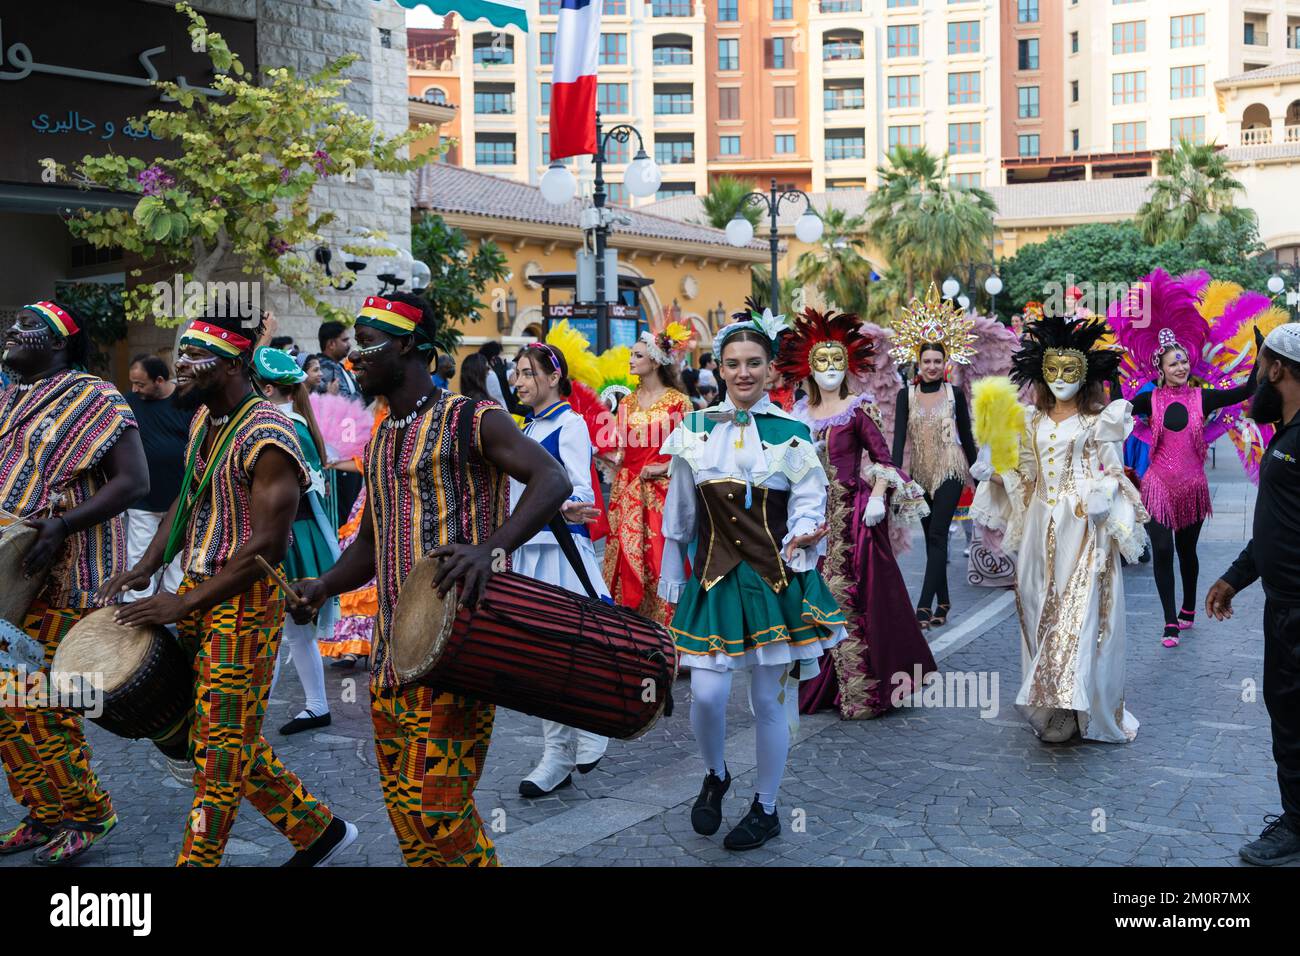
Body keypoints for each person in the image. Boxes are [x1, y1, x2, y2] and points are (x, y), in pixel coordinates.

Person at [291, 293, 572, 866]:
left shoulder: (472, 418)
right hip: (392, 650)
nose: (354, 357)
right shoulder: (382, 437)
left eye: (366, 343)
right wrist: (324, 584)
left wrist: (490, 550)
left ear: (406, 346)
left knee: (437, 811)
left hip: (460, 645)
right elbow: (371, 544)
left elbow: (552, 479)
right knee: (403, 809)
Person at [102, 312, 357, 867]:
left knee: (218, 754)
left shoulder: (268, 436)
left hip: (242, 603)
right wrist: (148, 564)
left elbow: (267, 546)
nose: (182, 367)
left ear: (234, 365)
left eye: (196, 358)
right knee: (222, 734)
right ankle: (319, 832)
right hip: (197, 587)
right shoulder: (205, 422)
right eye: (182, 353)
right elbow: (186, 501)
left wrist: (184, 600)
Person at [658, 306, 846, 852]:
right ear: (717, 366)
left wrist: (809, 532)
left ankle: (766, 807)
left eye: (754, 363)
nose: (744, 373)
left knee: (768, 702)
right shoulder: (693, 428)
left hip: (773, 583)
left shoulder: (792, 430)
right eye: (734, 363)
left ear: (771, 370)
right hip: (714, 581)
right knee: (709, 696)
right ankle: (716, 774)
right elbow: (681, 513)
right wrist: (675, 577)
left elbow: (812, 500)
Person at [0, 300, 148, 864]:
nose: (13, 330)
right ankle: (42, 812)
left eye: (29, 327)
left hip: (65, 577)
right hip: (12, 579)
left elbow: (135, 482)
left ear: (61, 342)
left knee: (45, 704)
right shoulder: (10, 396)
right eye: (13, 323)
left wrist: (61, 524)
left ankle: (88, 813)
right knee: (7, 705)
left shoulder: (95, 398)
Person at [971, 314, 1146, 745]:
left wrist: (1104, 492)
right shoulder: (1029, 421)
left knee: (1079, 614)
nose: (1062, 378)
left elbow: (1111, 469)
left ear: (1086, 374)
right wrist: (992, 474)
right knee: (1036, 608)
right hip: (1038, 526)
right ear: (1040, 372)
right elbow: (1025, 477)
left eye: (1071, 369)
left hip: (1083, 526)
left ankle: (1071, 709)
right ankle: (1051, 702)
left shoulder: (1098, 421)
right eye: (1053, 369)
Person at [777, 308, 935, 719]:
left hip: (853, 517)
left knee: (852, 600)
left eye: (836, 361)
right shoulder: (798, 415)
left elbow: (883, 459)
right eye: (821, 362)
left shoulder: (858, 408)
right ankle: (824, 687)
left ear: (847, 365)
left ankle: (863, 691)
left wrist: (880, 496)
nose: (829, 369)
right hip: (811, 518)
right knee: (813, 599)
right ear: (808, 368)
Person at [1109, 269, 1259, 647]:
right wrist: (1110, 373)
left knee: (1186, 551)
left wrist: (1260, 354)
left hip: (1192, 487)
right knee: (1161, 549)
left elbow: (1247, 389)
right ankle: (1169, 622)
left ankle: (1189, 607)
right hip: (1158, 487)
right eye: (1173, 363)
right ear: (1160, 368)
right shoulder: (1149, 401)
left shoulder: (1203, 397)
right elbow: (1117, 410)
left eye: (1183, 362)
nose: (1180, 367)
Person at [1207, 323, 1300, 867]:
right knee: (1287, 716)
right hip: (1281, 607)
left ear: (1278, 368)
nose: (1255, 381)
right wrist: (1234, 578)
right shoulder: (1286, 434)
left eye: (1259, 366)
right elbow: (1276, 525)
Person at [510, 343, 612, 797]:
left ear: (554, 378)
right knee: (537, 655)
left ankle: (593, 721)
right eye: (516, 374)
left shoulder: (569, 424)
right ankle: (556, 756)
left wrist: (571, 506)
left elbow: (580, 488)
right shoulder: (520, 429)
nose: (519, 382)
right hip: (527, 552)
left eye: (528, 373)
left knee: (575, 644)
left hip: (561, 550)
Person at [251, 347, 340, 735]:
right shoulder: (293, 422)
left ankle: (258, 711)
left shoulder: (287, 427)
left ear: (267, 389)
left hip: (292, 534)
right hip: (292, 533)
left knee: (281, 627)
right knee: (286, 629)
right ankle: (312, 705)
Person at [890, 286, 979, 631]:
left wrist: (979, 475)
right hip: (919, 475)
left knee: (939, 535)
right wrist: (897, 478)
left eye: (937, 361)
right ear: (918, 362)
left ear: (946, 364)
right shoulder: (905, 395)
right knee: (932, 541)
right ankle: (943, 601)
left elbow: (967, 437)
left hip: (951, 470)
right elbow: (899, 441)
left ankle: (923, 608)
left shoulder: (954, 394)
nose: (931, 366)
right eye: (926, 361)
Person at [601, 321, 693, 627]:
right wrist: (607, 455)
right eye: (631, 354)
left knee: (660, 558)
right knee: (626, 560)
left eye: (637, 355)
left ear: (654, 360)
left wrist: (665, 466)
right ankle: (632, 631)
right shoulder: (625, 403)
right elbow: (622, 450)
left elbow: (692, 451)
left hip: (664, 492)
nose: (630, 359)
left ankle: (669, 631)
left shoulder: (679, 403)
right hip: (627, 492)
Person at [124, 353, 192, 600]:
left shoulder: (185, 402)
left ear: (160, 380)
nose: (134, 389)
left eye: (140, 384)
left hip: (180, 499)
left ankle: (170, 619)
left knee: (176, 560)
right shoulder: (129, 402)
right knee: (139, 558)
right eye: (133, 383)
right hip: (143, 500)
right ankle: (135, 618)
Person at [314, 321, 360, 400]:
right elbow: (344, 404)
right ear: (331, 344)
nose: (349, 345)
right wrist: (370, 391)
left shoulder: (338, 365)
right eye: (344, 340)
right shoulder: (324, 368)